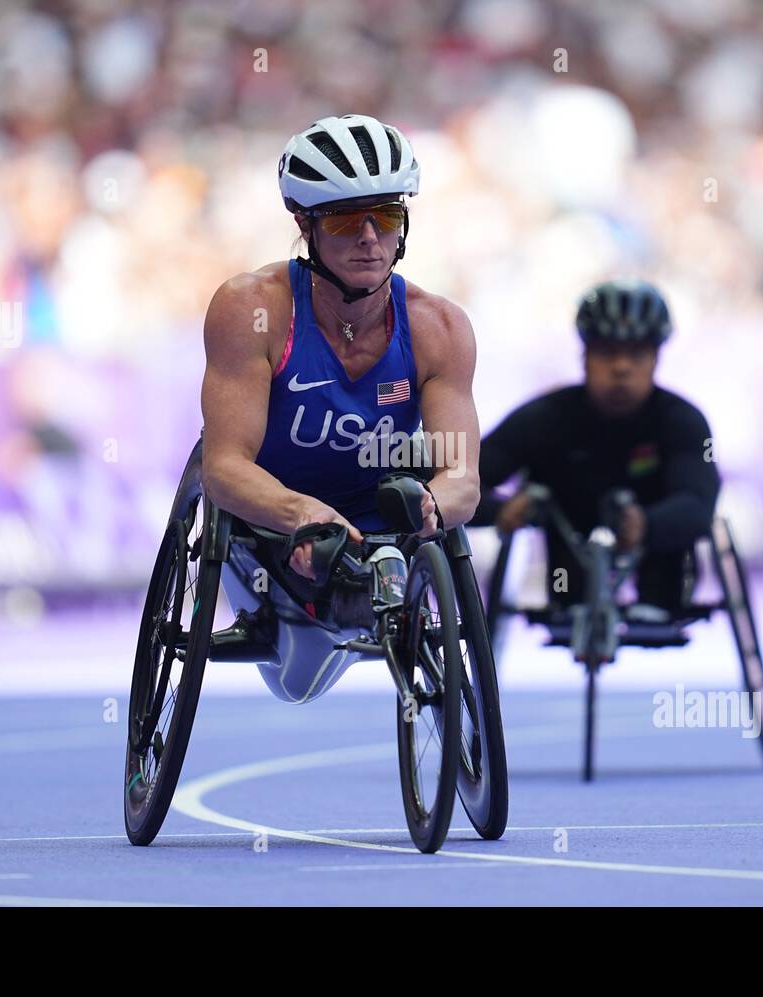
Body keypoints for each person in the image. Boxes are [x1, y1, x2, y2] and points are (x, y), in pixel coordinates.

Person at [194, 115, 481, 702]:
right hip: (272, 525)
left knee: (418, 544)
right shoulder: (252, 308)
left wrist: (431, 503)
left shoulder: (439, 326)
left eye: (388, 217)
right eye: (348, 220)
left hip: (383, 532)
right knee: (295, 684)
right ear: (306, 226)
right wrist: (301, 512)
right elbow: (222, 468)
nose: (370, 238)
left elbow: (463, 479)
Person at [472, 279, 719, 616]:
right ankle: (571, 597)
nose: (621, 368)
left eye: (637, 354)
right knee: (556, 516)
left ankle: (656, 598)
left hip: (656, 560)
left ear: (656, 359)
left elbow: (700, 503)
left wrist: (647, 525)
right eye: (606, 353)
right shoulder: (545, 416)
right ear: (584, 357)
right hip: (567, 562)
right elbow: (462, 479)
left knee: (671, 517)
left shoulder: (685, 421)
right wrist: (499, 510)